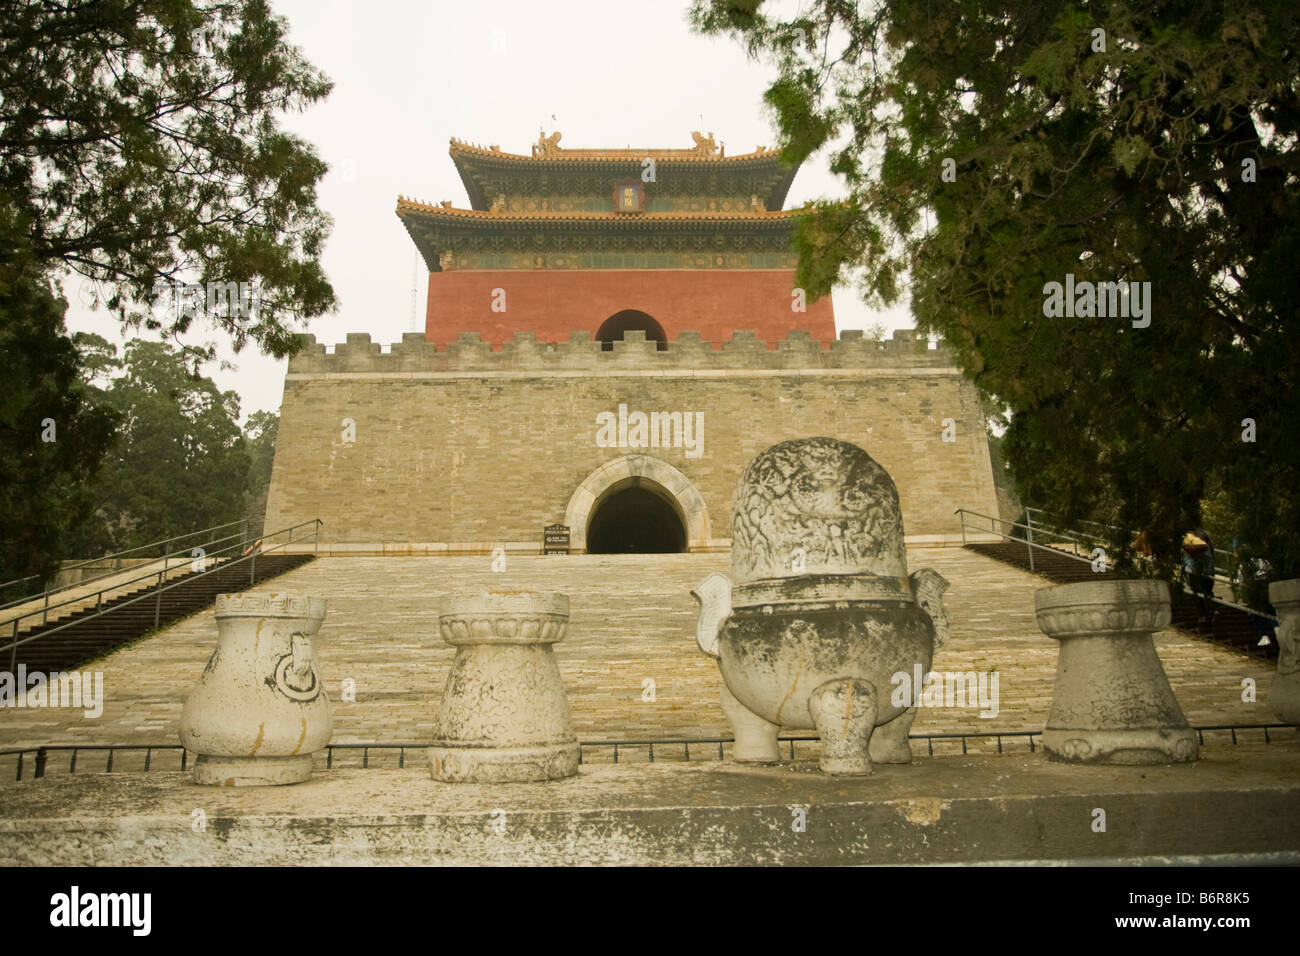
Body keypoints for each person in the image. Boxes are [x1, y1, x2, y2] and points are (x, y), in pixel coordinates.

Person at [1181, 528, 1216, 623]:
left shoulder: (1190, 538)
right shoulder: (1205, 536)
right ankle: (1211, 611)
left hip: (1195, 571)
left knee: (1197, 594)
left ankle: (1204, 615)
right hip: (1209, 571)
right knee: (1208, 592)